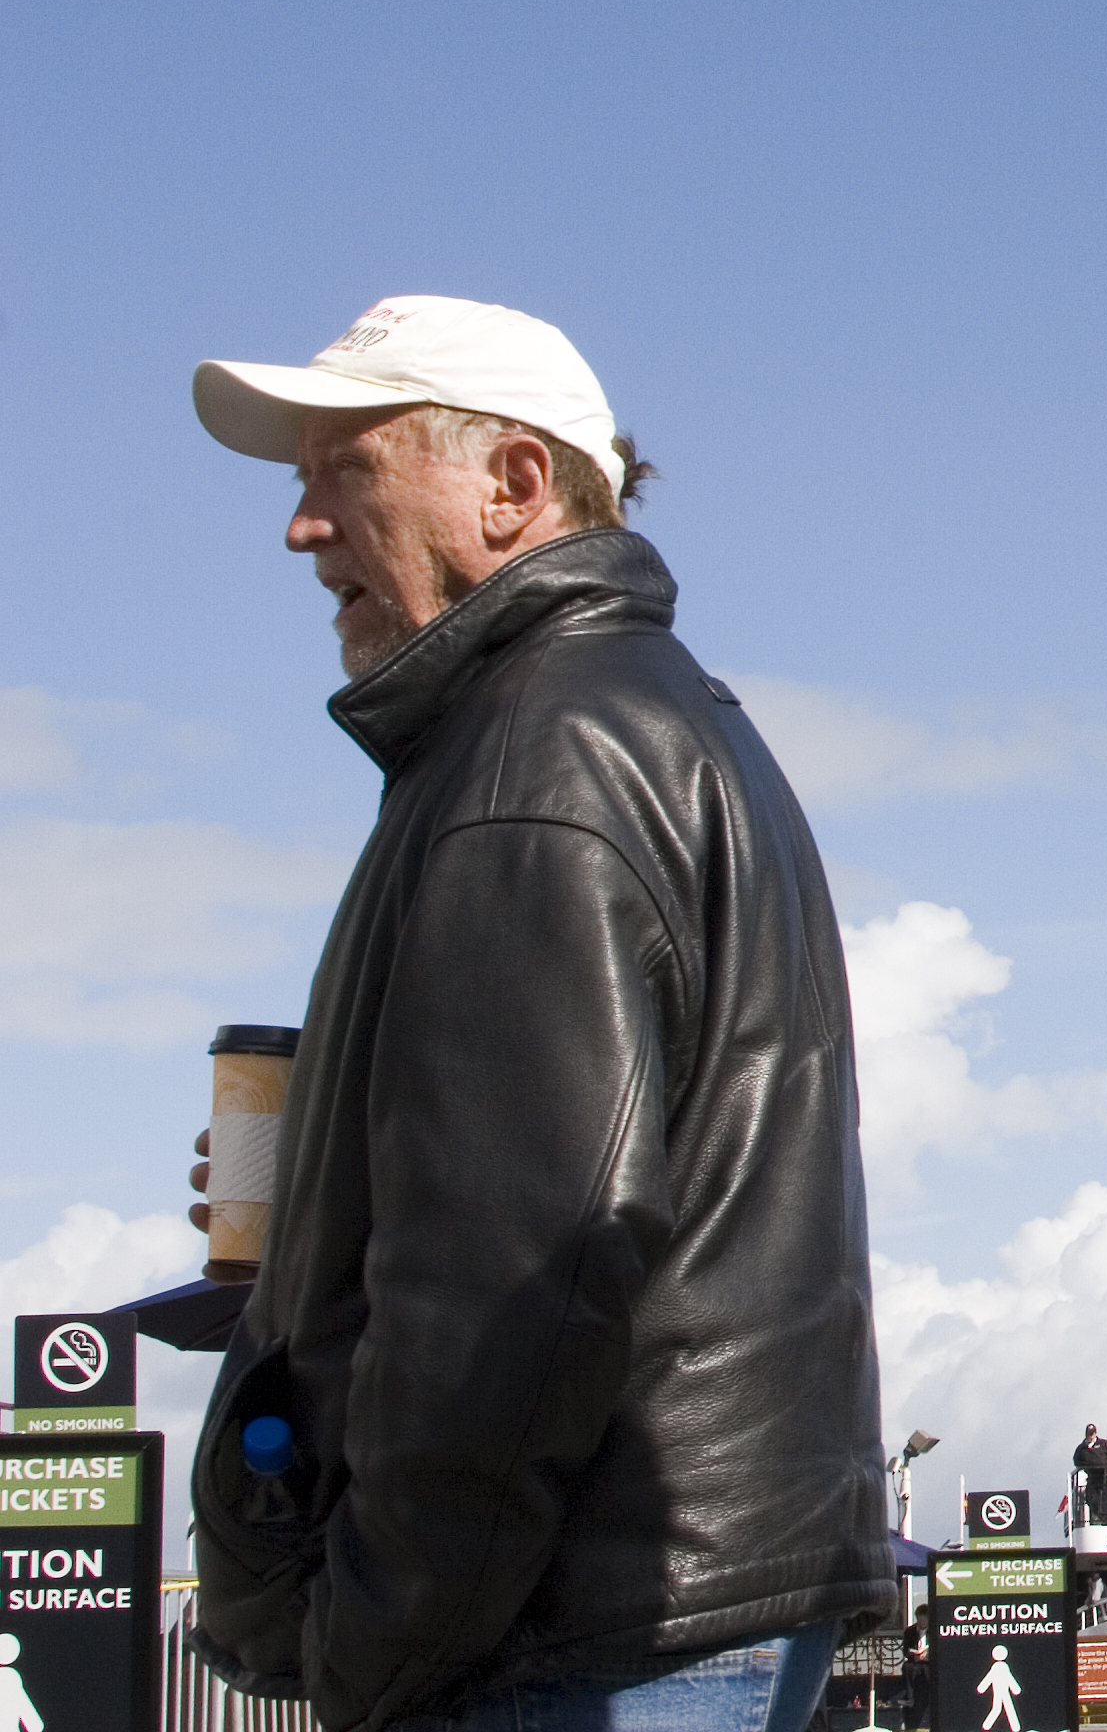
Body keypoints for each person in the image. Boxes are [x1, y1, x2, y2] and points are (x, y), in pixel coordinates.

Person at [181, 296, 891, 1731]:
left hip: (577, 1628)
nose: (300, 527)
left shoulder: (539, 756)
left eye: (344, 471)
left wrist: (377, 1638)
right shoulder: (622, 719)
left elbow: (522, 1268)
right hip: (640, 1607)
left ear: (512, 484)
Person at [1075, 1424, 1107, 1526]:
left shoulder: (1104, 1444)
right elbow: (1077, 1461)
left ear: (1095, 1433)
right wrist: (1086, 1467)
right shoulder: (1081, 1448)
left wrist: (1106, 1462)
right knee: (1091, 1500)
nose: (1090, 1436)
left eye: (1092, 1434)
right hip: (1092, 1478)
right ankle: (1099, 1517)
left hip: (1106, 1478)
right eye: (1088, 1434)